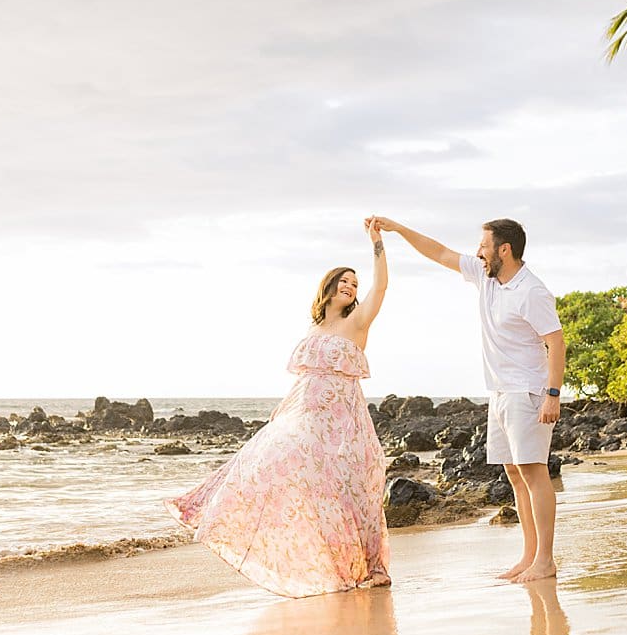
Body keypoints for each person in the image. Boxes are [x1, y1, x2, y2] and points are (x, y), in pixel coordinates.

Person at [166, 220, 391, 597]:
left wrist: (377, 243)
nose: (351, 287)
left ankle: (374, 568)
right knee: (275, 472)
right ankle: (328, 562)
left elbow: (381, 286)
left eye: (355, 283)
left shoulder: (357, 322)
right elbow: (304, 381)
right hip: (305, 421)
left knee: (353, 492)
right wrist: (281, 413)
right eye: (344, 281)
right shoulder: (314, 330)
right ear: (328, 287)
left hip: (344, 425)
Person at [368, 216, 564, 583]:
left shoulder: (532, 291)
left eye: (484, 246)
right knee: (514, 474)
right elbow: (440, 252)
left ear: (504, 250)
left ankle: (545, 560)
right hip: (499, 392)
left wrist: (553, 395)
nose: (478, 252)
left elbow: (556, 342)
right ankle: (528, 555)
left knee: (534, 473)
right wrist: (398, 229)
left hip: (528, 391)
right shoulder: (486, 277)